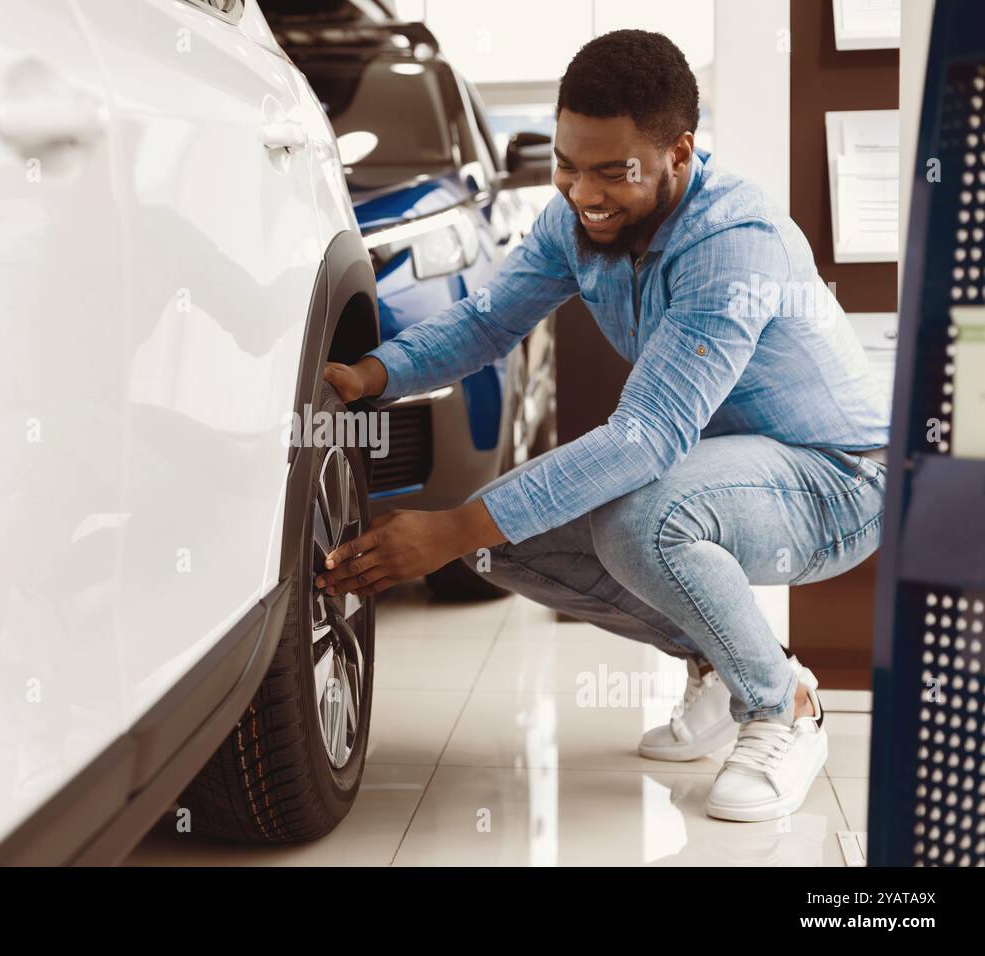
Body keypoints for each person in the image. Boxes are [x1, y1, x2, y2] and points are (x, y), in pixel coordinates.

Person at [317, 29, 889, 822]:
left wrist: (448, 527)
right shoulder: (576, 218)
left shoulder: (731, 244)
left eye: (610, 170)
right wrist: (373, 375)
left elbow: (645, 440)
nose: (583, 191)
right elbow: (486, 323)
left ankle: (782, 705)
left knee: (641, 521)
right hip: (726, 462)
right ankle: (721, 665)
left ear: (678, 154)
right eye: (566, 163)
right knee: (499, 543)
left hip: (841, 478)